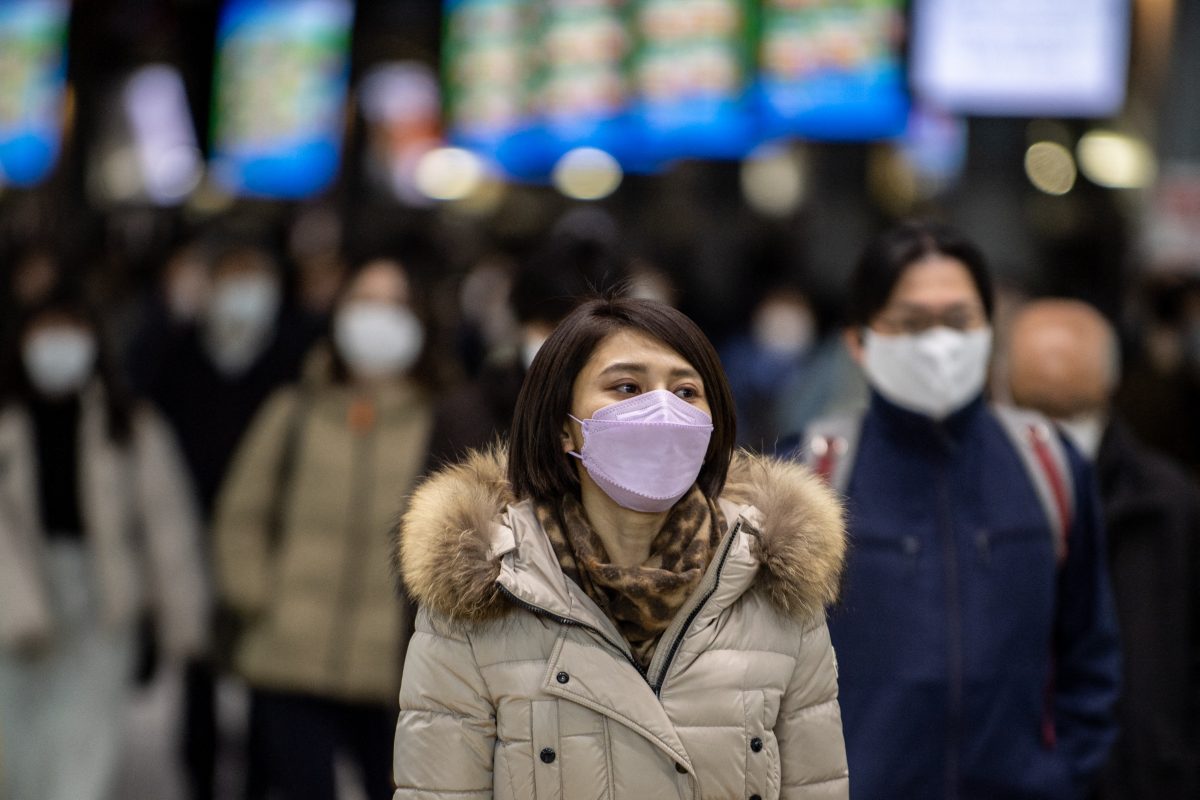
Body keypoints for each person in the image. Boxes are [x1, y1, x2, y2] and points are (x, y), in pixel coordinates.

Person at [393, 296, 850, 798]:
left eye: (686, 391)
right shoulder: (487, 589)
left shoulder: (774, 582)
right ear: (564, 424)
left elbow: (816, 784)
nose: (663, 409)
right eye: (627, 387)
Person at [789, 221, 1120, 799]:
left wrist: (1061, 773)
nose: (939, 341)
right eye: (912, 322)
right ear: (860, 340)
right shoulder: (809, 476)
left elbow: (1089, 650)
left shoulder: (1049, 465)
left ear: (990, 330)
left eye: (959, 319)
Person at [212, 257, 455, 800]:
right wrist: (257, 595)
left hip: (392, 669)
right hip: (288, 653)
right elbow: (241, 512)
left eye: (394, 304)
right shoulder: (295, 407)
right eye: (365, 301)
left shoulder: (439, 420)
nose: (377, 318)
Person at [130, 238, 322, 800]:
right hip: (188, 531)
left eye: (254, 281)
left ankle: (260, 781)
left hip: (272, 538)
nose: (245, 296)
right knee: (198, 669)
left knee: (266, 673)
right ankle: (201, 776)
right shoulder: (175, 352)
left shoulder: (297, 355)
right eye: (232, 280)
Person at [0, 290, 209, 800]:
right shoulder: (6, 422)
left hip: (103, 599)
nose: (57, 345)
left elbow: (166, 523)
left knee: (85, 752)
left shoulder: (129, 423)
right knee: (19, 754)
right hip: (13, 602)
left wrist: (181, 621)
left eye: (70, 331)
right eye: (44, 332)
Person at [1006, 298, 1200, 800]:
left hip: (1144, 773)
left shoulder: (1169, 504)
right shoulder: (970, 497)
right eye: (1038, 403)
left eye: (1067, 408)